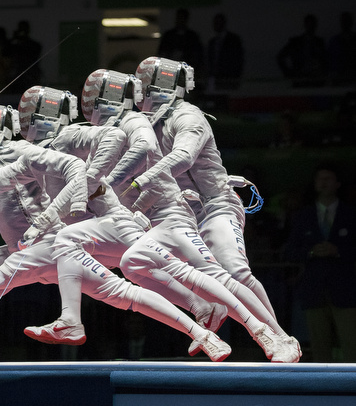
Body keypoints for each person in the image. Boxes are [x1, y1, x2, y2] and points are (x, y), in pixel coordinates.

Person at [0, 102, 233, 362]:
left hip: (49, 248)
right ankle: (201, 321)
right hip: (44, 249)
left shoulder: (12, 156)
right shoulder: (17, 156)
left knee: (120, 289)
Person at [130, 56, 301, 361]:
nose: (138, 93)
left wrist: (139, 182)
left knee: (234, 270)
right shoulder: (144, 126)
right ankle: (205, 306)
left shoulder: (189, 117)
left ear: (160, 88)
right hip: (179, 214)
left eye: (142, 86)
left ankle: (280, 337)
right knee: (135, 260)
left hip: (215, 206)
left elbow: (182, 158)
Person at [284, 166, 356, 362]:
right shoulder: (302, 216)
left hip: (347, 290)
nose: (323, 182)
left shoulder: (351, 214)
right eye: (320, 179)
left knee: (352, 345)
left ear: (338, 184)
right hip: (313, 289)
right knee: (319, 348)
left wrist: (338, 251)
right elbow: (289, 250)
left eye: (329, 178)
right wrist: (311, 252)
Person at [276, 14, 326, 87]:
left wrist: (323, 73)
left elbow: (325, 60)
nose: (310, 27)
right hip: (300, 79)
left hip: (316, 80)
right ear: (305, 25)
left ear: (315, 26)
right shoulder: (296, 42)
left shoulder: (320, 42)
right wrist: (288, 73)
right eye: (309, 24)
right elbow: (280, 57)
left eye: (312, 25)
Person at [205, 13, 244, 90]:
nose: (217, 25)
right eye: (215, 23)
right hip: (214, 78)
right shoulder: (212, 42)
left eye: (219, 23)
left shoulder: (233, 40)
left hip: (229, 78)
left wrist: (235, 76)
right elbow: (209, 60)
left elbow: (238, 59)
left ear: (224, 23)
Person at [7, 20, 42, 94]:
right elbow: (5, 51)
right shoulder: (15, 46)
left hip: (30, 78)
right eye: (20, 29)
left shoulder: (34, 45)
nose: (22, 32)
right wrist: (14, 38)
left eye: (24, 29)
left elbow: (35, 53)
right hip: (16, 79)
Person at [328, 11, 356, 85]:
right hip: (339, 77)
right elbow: (331, 59)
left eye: (347, 21)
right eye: (344, 21)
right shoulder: (334, 41)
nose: (345, 23)